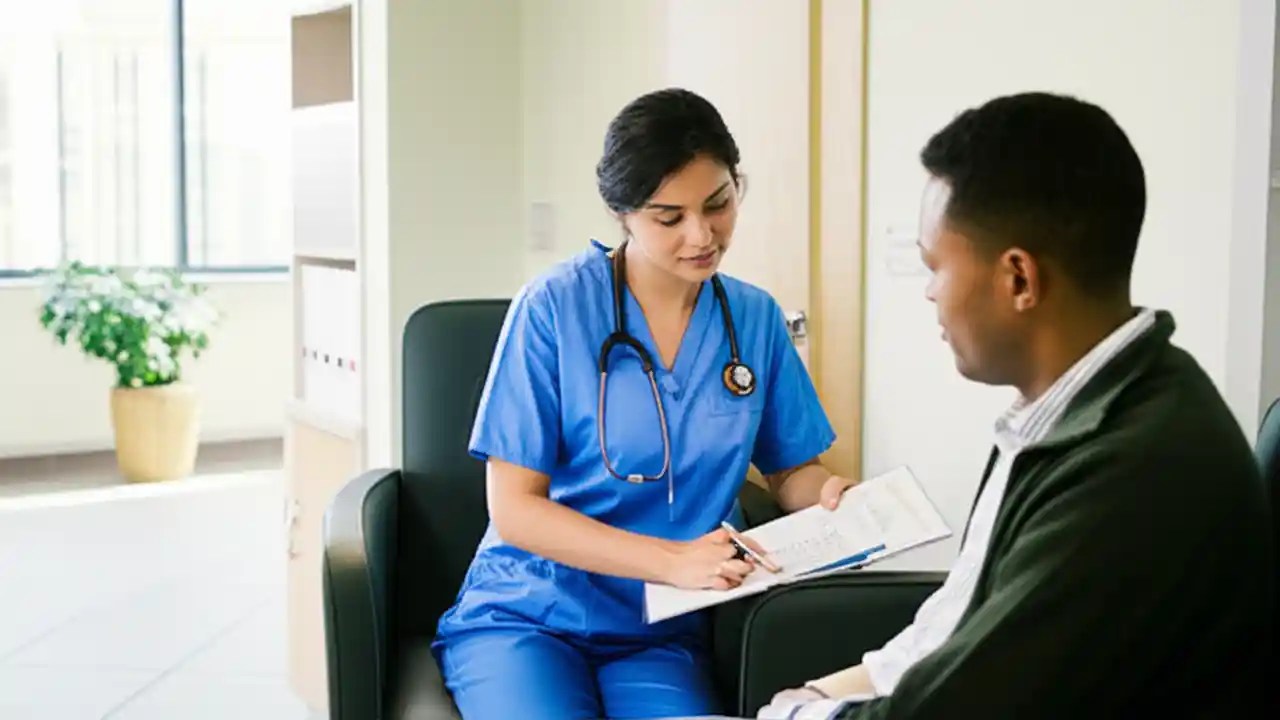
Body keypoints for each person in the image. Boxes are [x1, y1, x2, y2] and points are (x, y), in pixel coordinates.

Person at [760, 92, 1274, 719]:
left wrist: (793, 715)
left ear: (1019, 280)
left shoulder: (1136, 471)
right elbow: (954, 628)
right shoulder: (1073, 413)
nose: (928, 294)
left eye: (934, 267)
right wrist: (818, 697)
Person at [431, 87, 857, 720]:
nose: (702, 235)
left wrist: (828, 499)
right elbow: (515, 510)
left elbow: (790, 467)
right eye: (668, 217)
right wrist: (672, 560)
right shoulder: (553, 309)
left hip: (660, 629)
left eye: (718, 204)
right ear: (622, 213)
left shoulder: (754, 318)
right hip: (527, 614)